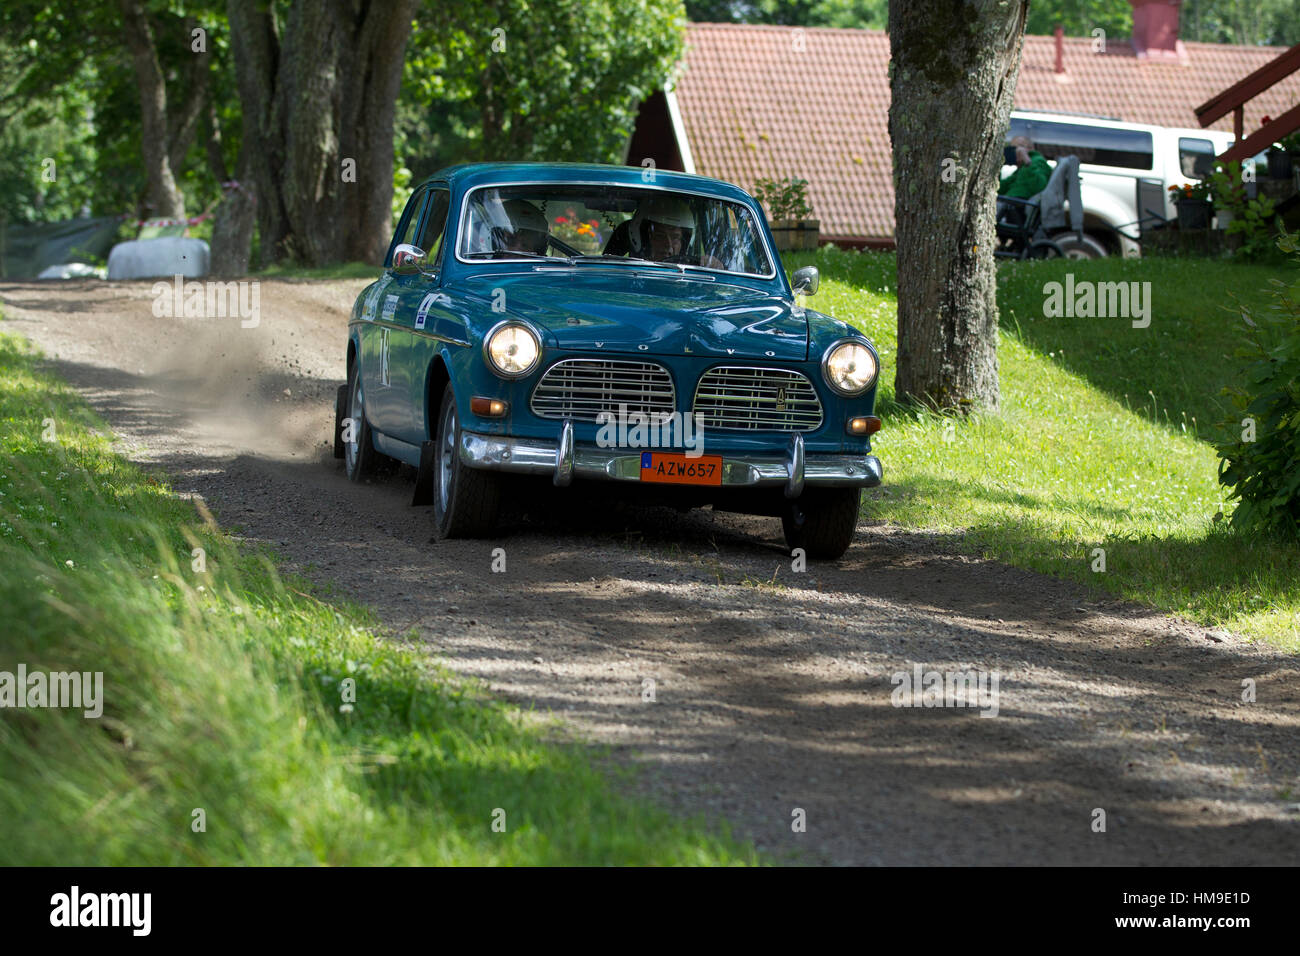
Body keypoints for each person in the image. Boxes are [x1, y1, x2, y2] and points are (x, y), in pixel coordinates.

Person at [998, 137, 1052, 229]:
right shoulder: (1021, 168)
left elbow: (1039, 185)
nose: (1014, 152)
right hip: (1009, 206)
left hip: (1017, 210)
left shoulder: (1038, 161)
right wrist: (998, 167)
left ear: (1028, 148)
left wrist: (1026, 160)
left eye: (1016, 148)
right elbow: (1001, 189)